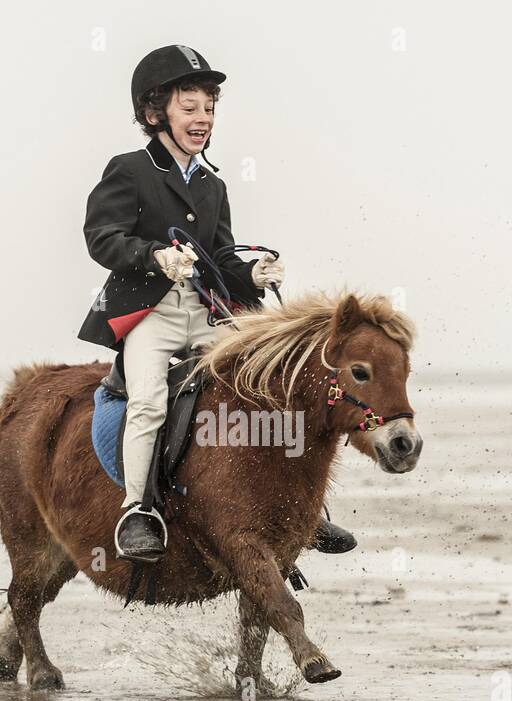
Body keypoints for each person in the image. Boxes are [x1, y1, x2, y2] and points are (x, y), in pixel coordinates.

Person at [79, 44, 356, 563]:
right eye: (190, 107)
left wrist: (250, 272)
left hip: (204, 312)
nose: (202, 118)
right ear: (153, 113)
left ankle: (302, 509)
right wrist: (152, 255)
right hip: (151, 316)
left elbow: (219, 257)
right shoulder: (129, 169)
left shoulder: (213, 185)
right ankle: (138, 510)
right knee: (147, 400)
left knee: (267, 381)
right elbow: (101, 237)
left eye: (209, 108)